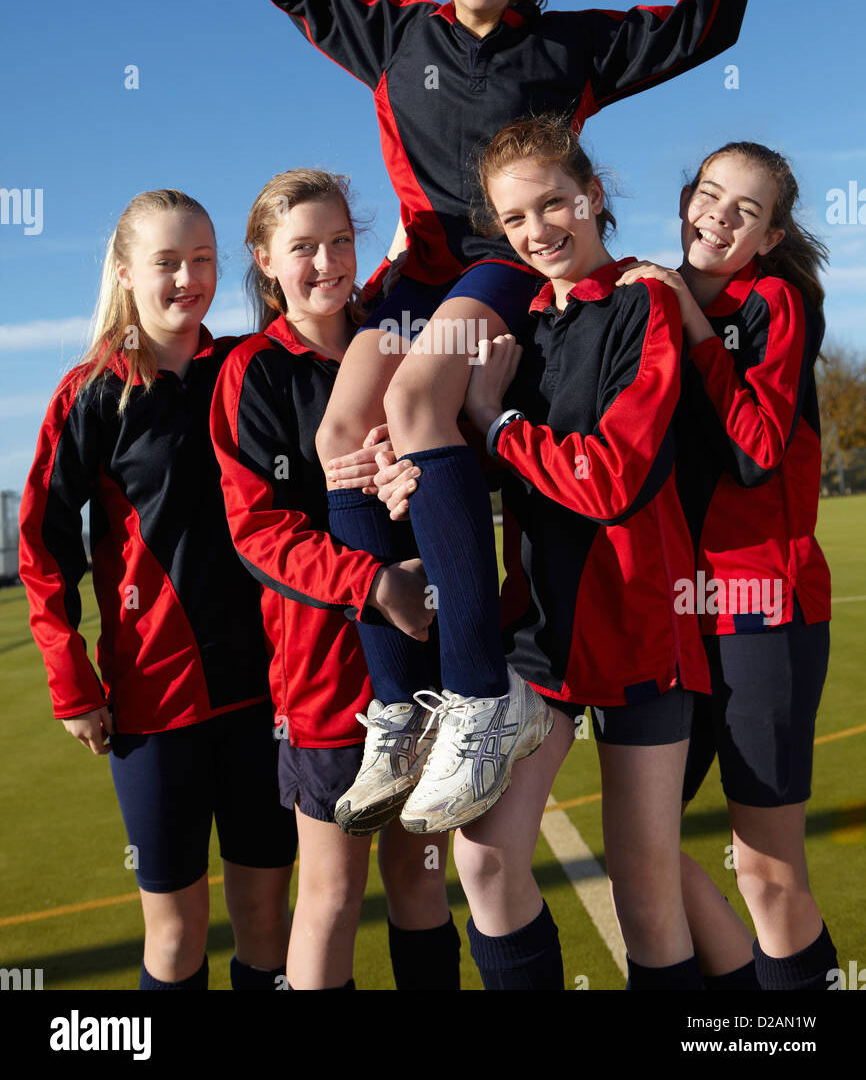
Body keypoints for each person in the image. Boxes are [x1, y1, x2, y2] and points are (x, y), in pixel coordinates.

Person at [245, 0, 753, 834]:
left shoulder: (570, 46)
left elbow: (707, 24)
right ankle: (395, 704)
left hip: (494, 268)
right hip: (413, 270)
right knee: (342, 434)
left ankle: (477, 694)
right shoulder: (392, 34)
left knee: (414, 400)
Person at [383, 114, 711, 989]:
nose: (538, 231)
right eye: (516, 219)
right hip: (538, 631)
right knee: (485, 863)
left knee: (645, 891)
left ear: (593, 196)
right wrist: (392, 473)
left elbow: (611, 481)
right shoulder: (516, 321)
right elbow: (451, 457)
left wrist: (499, 421)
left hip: (642, 622)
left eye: (554, 204)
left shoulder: (643, 302)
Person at [19, 189, 296, 991]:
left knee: (265, 921)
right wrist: (71, 681)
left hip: (263, 695)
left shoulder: (249, 369)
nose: (188, 279)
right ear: (126, 272)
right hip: (156, 705)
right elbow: (42, 541)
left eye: (203, 260)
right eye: (167, 262)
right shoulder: (91, 394)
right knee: (175, 941)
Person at [209, 168, 460, 990]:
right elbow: (259, 531)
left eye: (341, 240)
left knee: (425, 881)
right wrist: (372, 582)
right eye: (303, 248)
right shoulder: (253, 370)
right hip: (325, 672)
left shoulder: (398, 337)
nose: (327, 262)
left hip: (430, 656)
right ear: (265, 260)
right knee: (332, 893)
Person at [615, 141, 838, 991]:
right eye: (709, 195)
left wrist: (695, 324)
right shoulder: (639, 299)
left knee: (765, 870)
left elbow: (754, 452)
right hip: (671, 613)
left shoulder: (775, 301)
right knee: (645, 851)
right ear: (684, 200)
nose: (718, 216)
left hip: (760, 607)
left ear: (770, 234)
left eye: (744, 210)